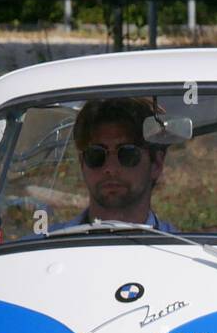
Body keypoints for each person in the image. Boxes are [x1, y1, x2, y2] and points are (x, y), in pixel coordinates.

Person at [58, 97, 173, 232]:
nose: (111, 169)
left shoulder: (186, 251)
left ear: (156, 164)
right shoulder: (42, 251)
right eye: (96, 155)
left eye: (127, 154)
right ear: (82, 163)